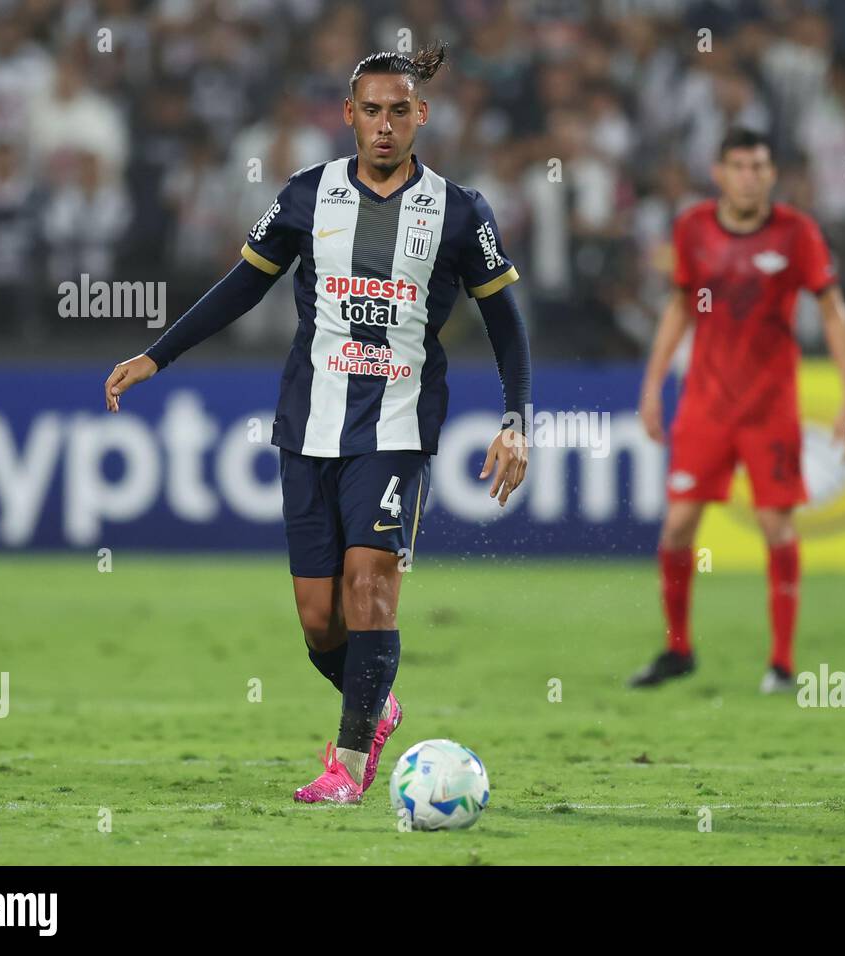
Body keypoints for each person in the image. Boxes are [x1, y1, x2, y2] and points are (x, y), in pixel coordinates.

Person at [103, 44, 531, 803]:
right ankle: (376, 703)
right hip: (308, 425)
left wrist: (516, 418)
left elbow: (505, 320)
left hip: (398, 426)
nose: (386, 125)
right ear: (348, 116)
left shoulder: (461, 211)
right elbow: (243, 287)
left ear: (421, 114)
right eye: (371, 110)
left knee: (370, 585)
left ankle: (348, 761)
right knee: (319, 621)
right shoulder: (306, 195)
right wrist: (158, 356)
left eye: (400, 110)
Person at [632, 128, 845, 694]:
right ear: (719, 172)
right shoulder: (693, 228)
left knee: (775, 524)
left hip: (770, 408)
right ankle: (677, 649)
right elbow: (681, 306)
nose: (749, 176)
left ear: (772, 173)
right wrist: (653, 383)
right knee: (679, 525)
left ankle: (781, 664)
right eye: (738, 166)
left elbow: (834, 312)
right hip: (706, 405)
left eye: (759, 166)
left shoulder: (796, 233)